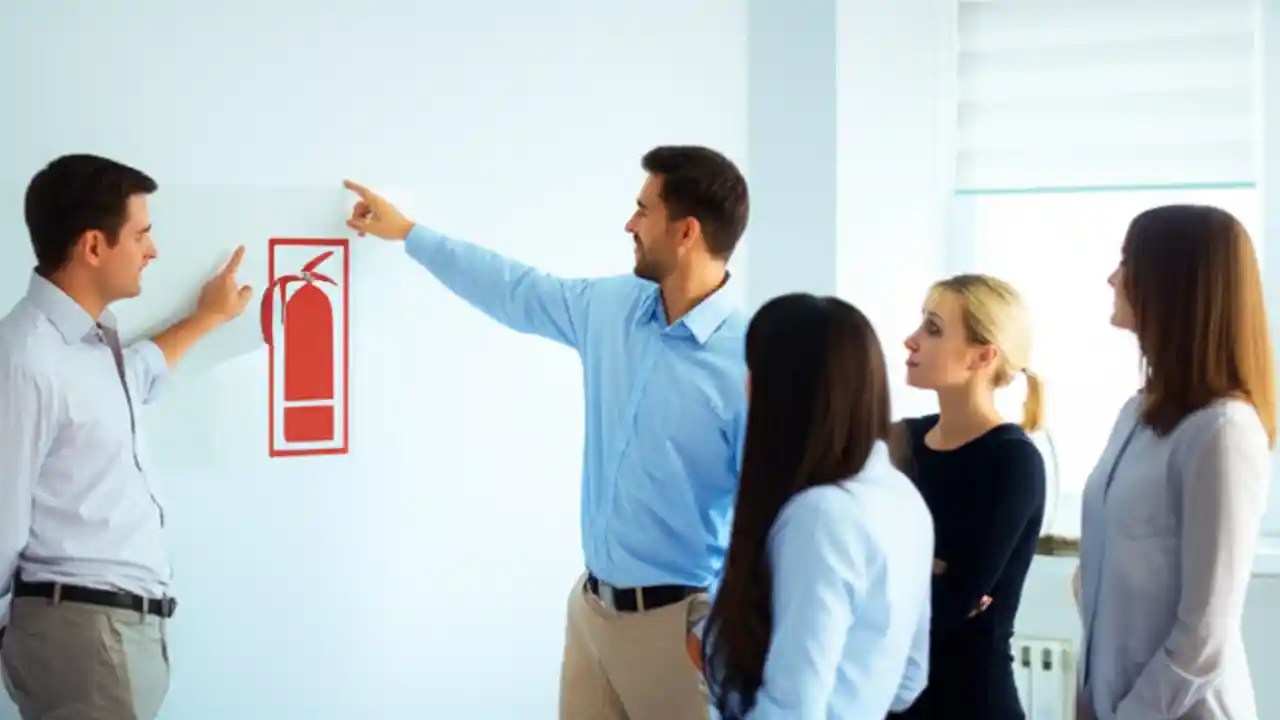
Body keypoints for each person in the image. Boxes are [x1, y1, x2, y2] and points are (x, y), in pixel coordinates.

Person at [342, 145, 750, 720]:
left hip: (679, 634)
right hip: (592, 615)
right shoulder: (613, 307)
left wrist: (717, 631)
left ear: (685, 232)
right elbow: (517, 290)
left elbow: (766, 511)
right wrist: (410, 234)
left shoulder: (749, 360)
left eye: (643, 210)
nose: (629, 224)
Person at [0, 153, 253, 719]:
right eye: (141, 234)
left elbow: (137, 375)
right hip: (82, 637)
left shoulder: (89, 348)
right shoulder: (24, 357)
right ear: (93, 246)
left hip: (113, 636)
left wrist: (208, 318)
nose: (153, 250)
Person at [1076, 204, 1275, 720]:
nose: (1112, 278)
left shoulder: (1223, 431)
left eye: (1127, 261)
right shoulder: (1135, 413)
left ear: (1173, 282)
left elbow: (1204, 635)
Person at [696, 293, 934, 719]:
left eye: (754, 370)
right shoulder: (902, 498)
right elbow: (908, 682)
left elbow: (792, 710)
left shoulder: (821, 518)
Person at [888, 274, 1048, 720]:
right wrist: (931, 570)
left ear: (983, 355)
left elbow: (953, 601)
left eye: (933, 329)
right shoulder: (901, 440)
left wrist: (906, 573)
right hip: (893, 700)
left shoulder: (1012, 461)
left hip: (972, 703)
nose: (911, 340)